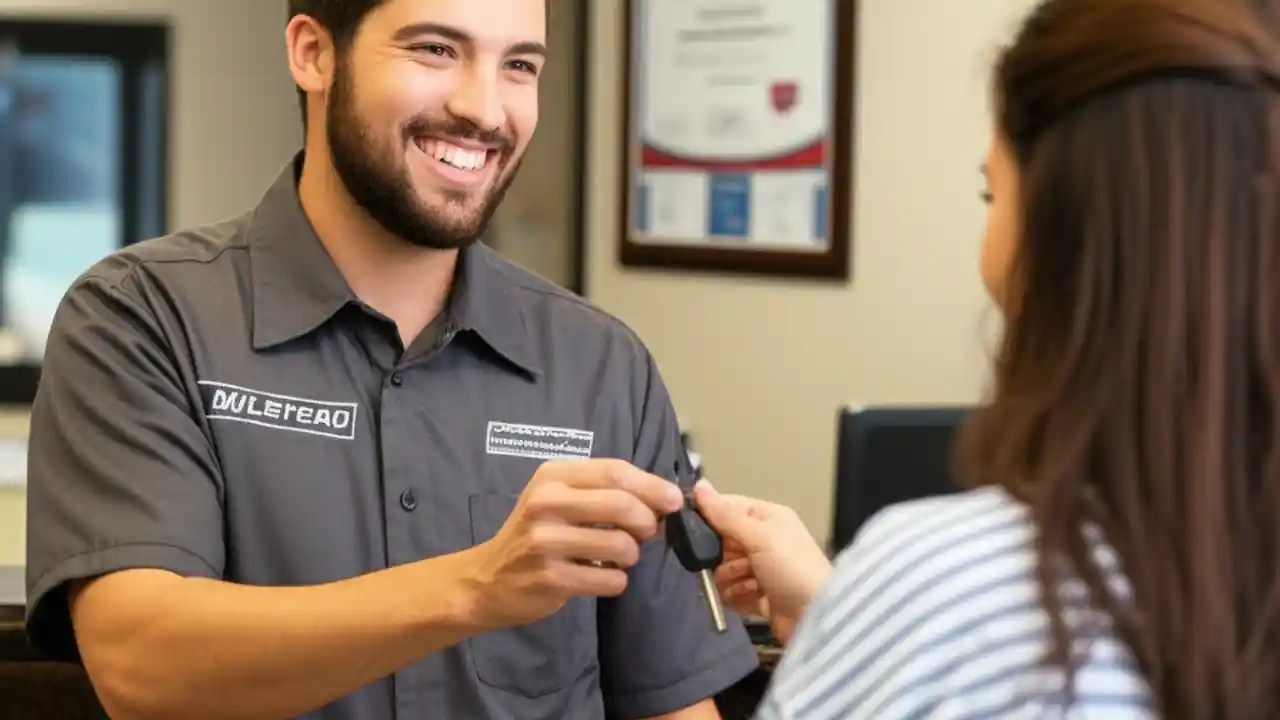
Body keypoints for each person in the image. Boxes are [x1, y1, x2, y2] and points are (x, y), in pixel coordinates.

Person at [22, 1, 758, 718]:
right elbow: (141, 667)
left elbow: (672, 703)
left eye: (520, 65)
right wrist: (475, 587)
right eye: (436, 49)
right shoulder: (143, 320)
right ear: (313, 54)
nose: (486, 110)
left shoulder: (600, 365)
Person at [691, 0, 1280, 717]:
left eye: (991, 192)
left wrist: (884, 617)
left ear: (1061, 236)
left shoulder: (948, 590)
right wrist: (852, 626)